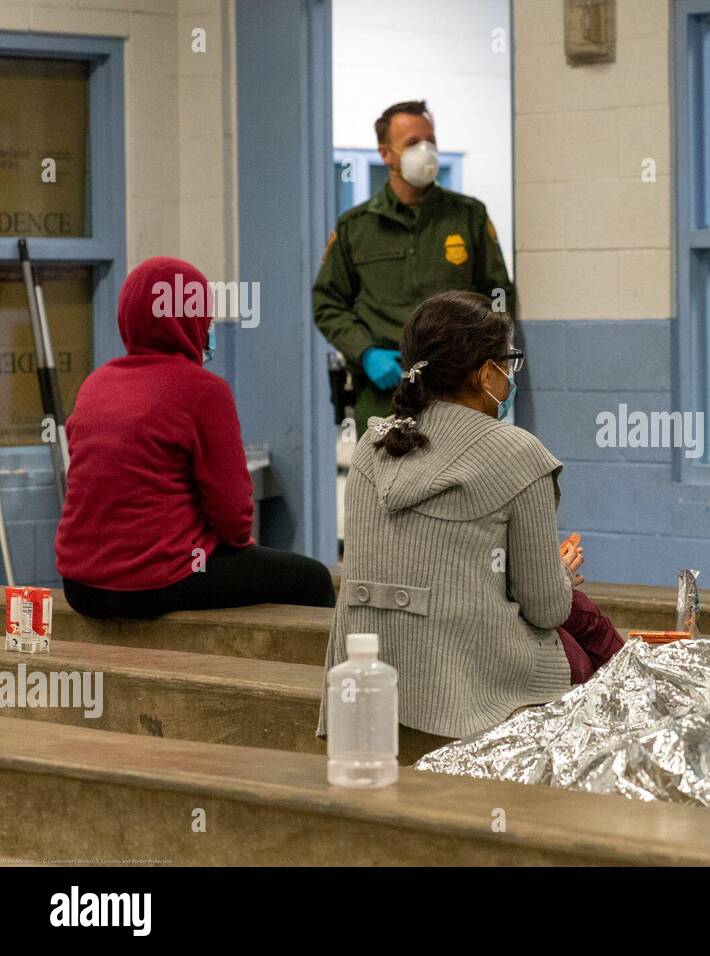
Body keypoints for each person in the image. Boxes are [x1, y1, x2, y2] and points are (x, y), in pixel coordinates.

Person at [316, 290, 623, 745]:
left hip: (369, 679)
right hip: (461, 680)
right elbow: (545, 607)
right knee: (582, 647)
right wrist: (559, 573)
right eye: (507, 364)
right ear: (485, 374)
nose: (509, 377)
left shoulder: (371, 445)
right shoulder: (518, 452)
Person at [56, 256, 336, 619]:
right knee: (312, 579)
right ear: (193, 319)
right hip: (148, 584)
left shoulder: (95, 383)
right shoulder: (203, 390)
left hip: (80, 586)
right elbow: (233, 518)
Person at [312, 99, 516, 430]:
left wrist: (486, 363)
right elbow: (327, 302)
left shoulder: (467, 216)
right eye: (412, 143)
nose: (426, 151)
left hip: (460, 388)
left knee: (461, 478)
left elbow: (498, 294)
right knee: (383, 476)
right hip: (385, 390)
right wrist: (364, 352)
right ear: (385, 153)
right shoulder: (356, 226)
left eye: (430, 141)